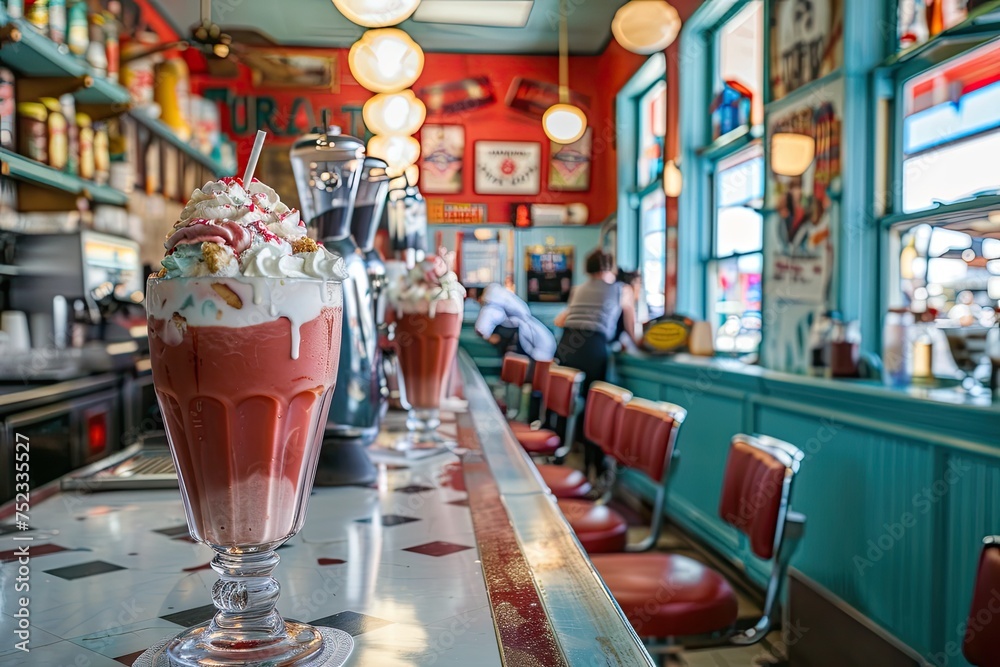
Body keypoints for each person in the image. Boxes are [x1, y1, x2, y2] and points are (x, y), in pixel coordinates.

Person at [554, 249, 639, 479]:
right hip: (593, 347)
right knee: (595, 407)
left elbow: (564, 319)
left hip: (566, 344)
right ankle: (594, 465)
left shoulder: (577, 290)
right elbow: (632, 330)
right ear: (611, 267)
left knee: (567, 402)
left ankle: (560, 454)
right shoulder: (622, 289)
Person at [475, 283, 556, 362]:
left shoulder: (491, 305)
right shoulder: (504, 298)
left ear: (480, 298)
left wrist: (488, 337)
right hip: (540, 342)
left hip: (522, 342)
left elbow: (482, 328)